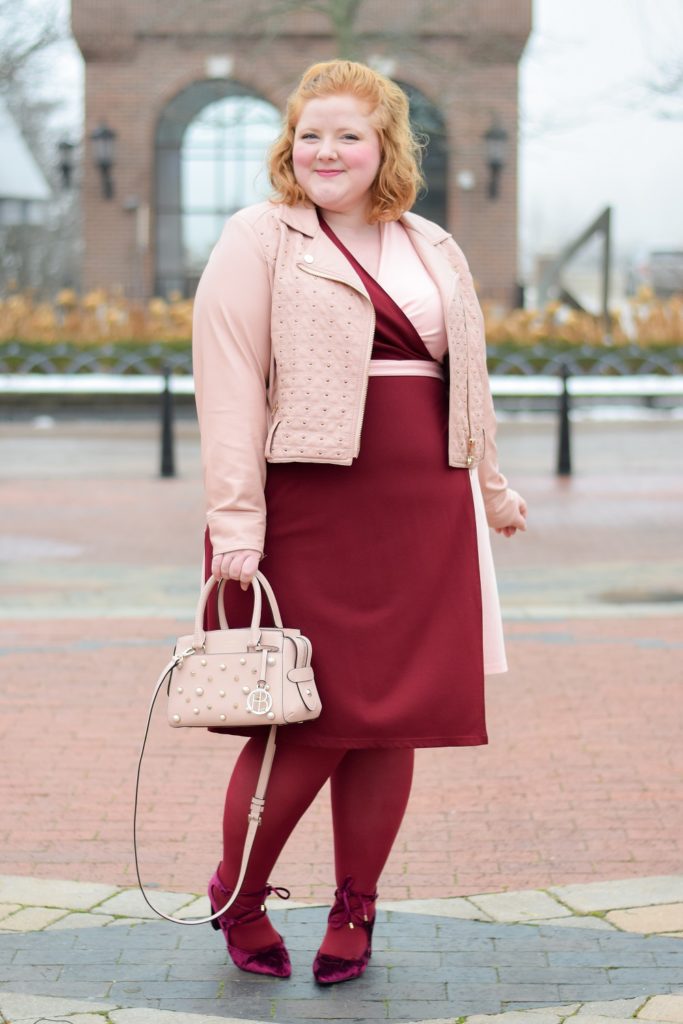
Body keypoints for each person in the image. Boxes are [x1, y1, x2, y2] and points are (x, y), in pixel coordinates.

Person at [192, 58, 527, 986]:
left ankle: (356, 907)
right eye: (309, 134)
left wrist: (492, 490)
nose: (325, 151)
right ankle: (241, 894)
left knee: (391, 721)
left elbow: (471, 383)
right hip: (308, 507)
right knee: (304, 724)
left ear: (383, 145)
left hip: (424, 508)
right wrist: (234, 525)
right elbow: (226, 389)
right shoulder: (258, 237)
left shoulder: (433, 245)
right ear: (286, 145)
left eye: (347, 134)